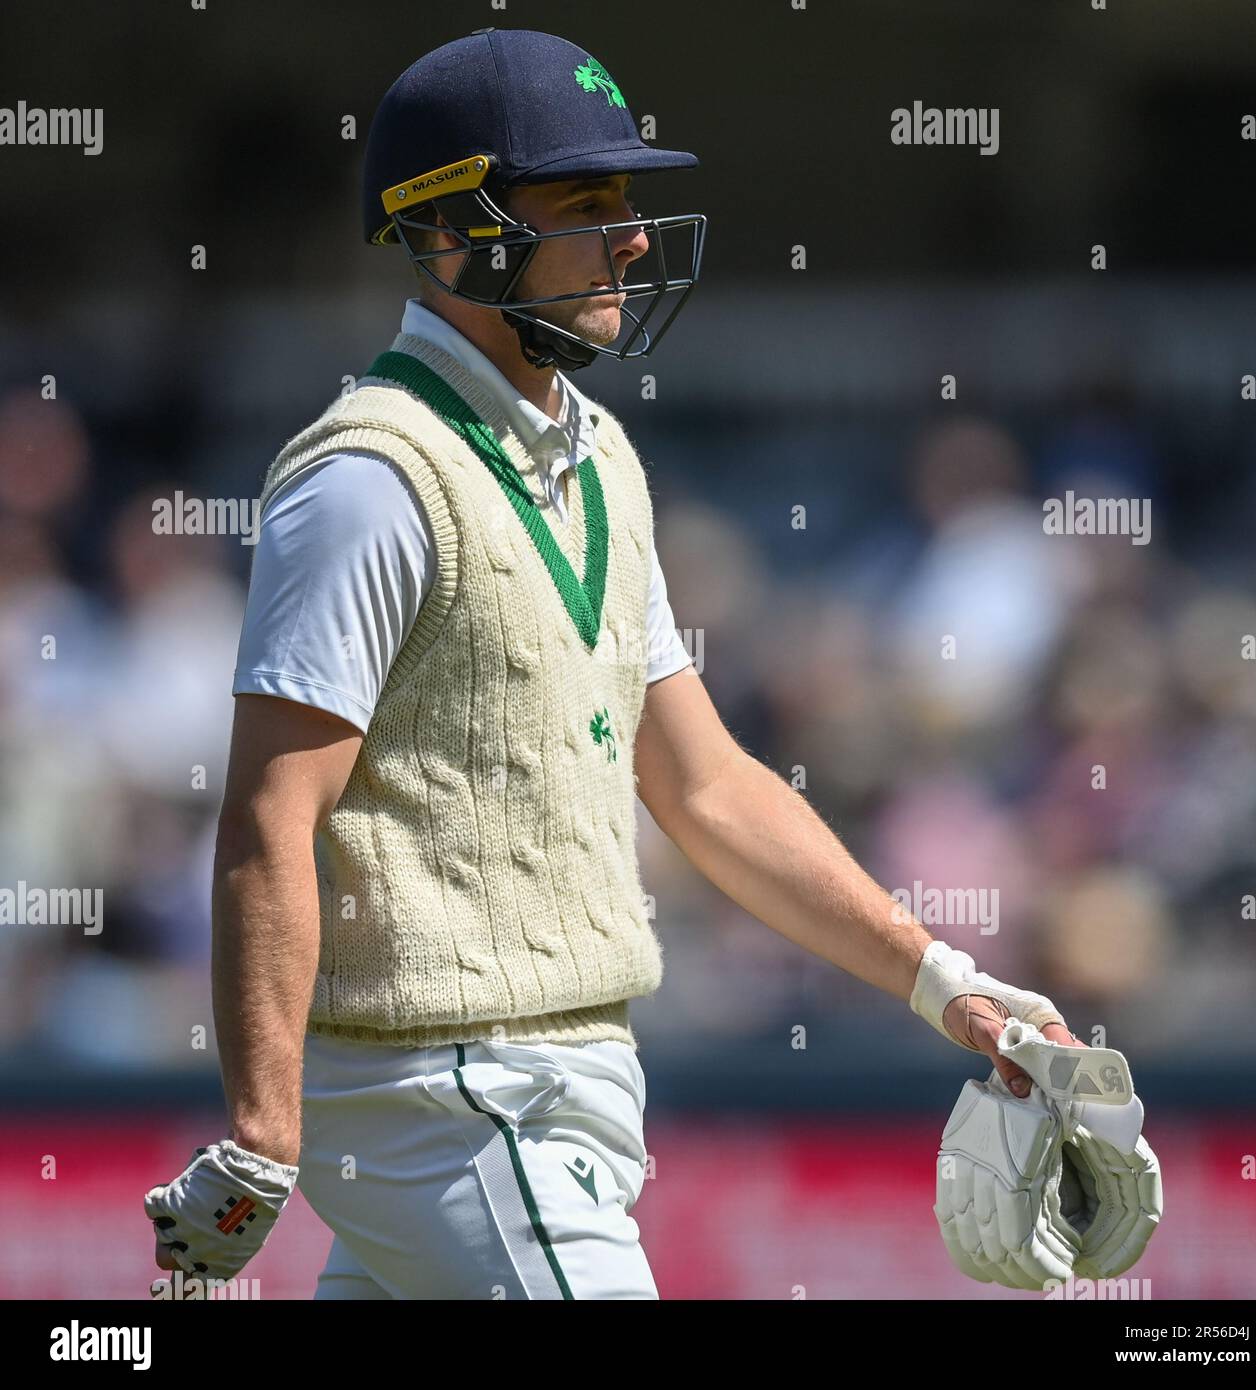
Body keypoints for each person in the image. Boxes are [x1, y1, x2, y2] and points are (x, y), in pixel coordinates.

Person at [145, 28, 1085, 1301]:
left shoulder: (597, 460)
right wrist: (261, 1131)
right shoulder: (368, 479)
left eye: (626, 201)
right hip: (452, 1089)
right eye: (586, 203)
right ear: (454, 230)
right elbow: (271, 814)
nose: (634, 239)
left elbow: (707, 786)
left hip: (549, 1085)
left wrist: (945, 986)